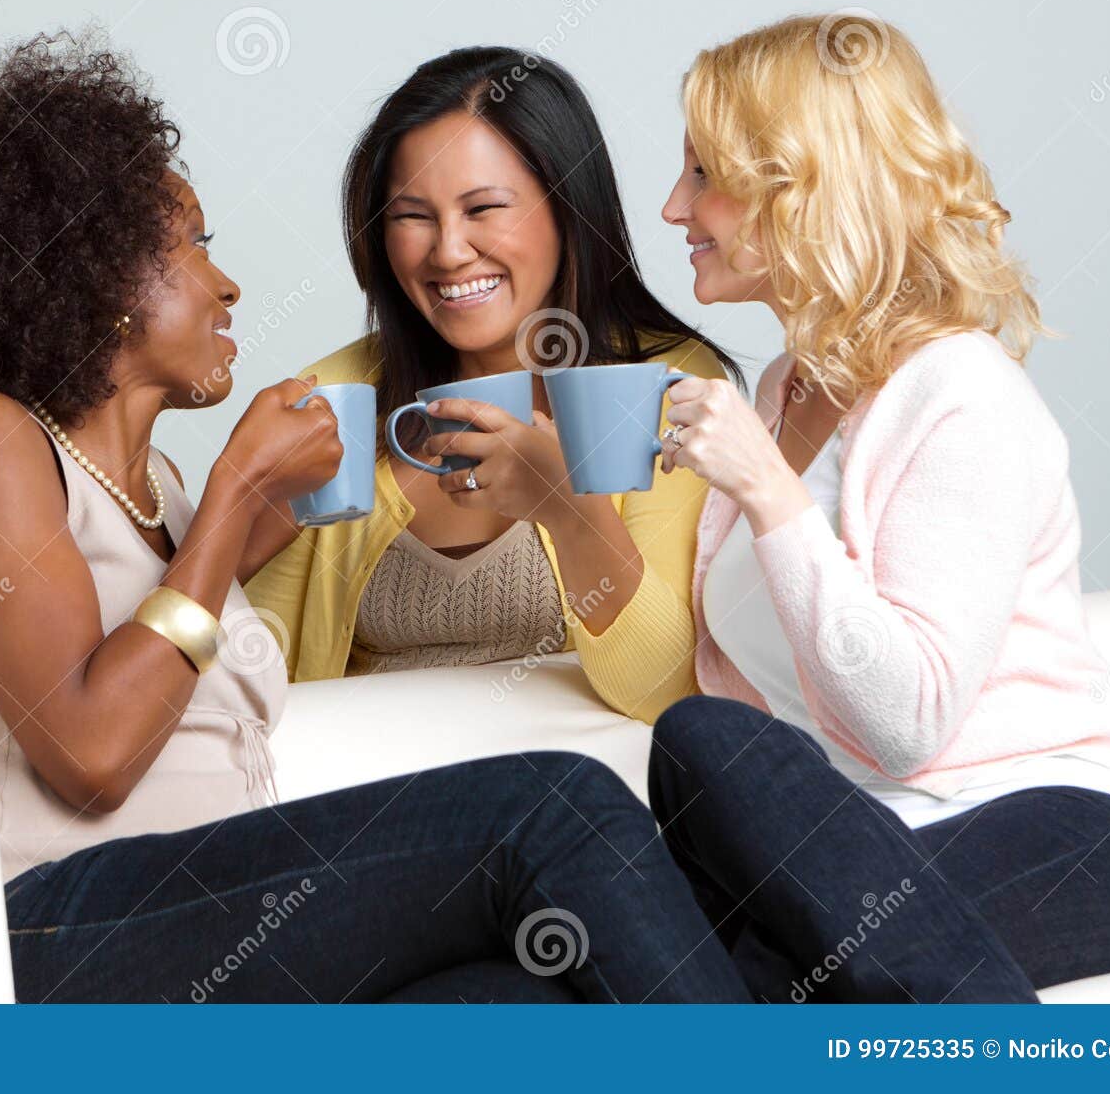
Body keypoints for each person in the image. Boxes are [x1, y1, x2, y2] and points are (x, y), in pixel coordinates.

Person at [0, 29, 752, 1004]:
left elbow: (182, 659)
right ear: (96, 275)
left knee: (508, 989)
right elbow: (92, 753)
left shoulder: (161, 495)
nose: (226, 283)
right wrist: (238, 496)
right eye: (191, 247)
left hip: (222, 898)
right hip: (67, 924)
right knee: (551, 805)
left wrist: (246, 508)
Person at [646, 14, 1110, 1000]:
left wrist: (767, 493)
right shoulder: (777, 392)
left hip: (1051, 828)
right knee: (576, 957)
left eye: (702, 176)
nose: (671, 208)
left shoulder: (959, 389)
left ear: (800, 186)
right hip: (855, 848)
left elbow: (906, 721)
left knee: (709, 770)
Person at [246, 47, 741, 722]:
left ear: (568, 207)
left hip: (573, 808)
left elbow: (663, 694)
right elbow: (251, 677)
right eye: (411, 215)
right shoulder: (336, 396)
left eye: (483, 208)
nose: (447, 251)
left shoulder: (666, 388)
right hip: (359, 805)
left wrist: (569, 508)